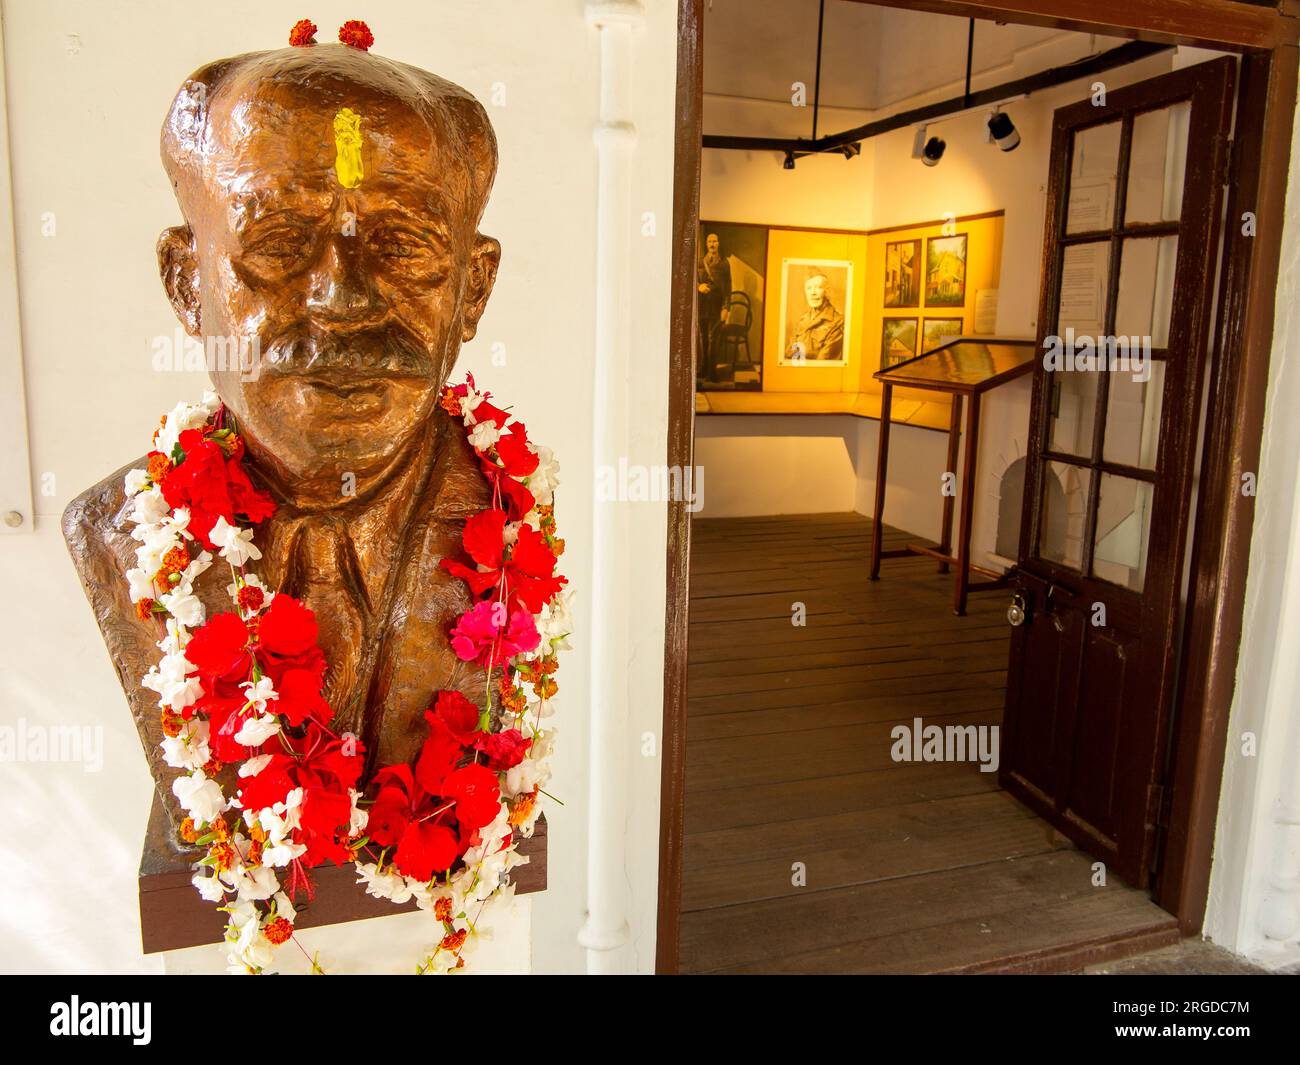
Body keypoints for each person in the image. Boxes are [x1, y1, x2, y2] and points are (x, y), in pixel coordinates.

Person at [63, 39, 510, 835]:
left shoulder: (509, 521)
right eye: (276, 244)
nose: (344, 299)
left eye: (402, 246)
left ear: (472, 288)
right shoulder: (123, 533)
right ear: (185, 283)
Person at [786, 271, 844, 360]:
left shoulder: (837, 321)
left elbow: (823, 362)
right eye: (809, 288)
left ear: (827, 291)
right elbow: (789, 354)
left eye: (818, 287)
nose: (813, 293)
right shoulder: (803, 320)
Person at [696, 232, 731, 379]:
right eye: (709, 241)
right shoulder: (699, 262)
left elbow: (728, 286)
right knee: (703, 337)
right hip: (702, 305)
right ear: (706, 244)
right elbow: (692, 281)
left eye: (714, 241)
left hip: (716, 305)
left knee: (713, 338)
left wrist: (726, 307)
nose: (712, 244)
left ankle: (711, 371)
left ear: (718, 244)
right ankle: (703, 370)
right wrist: (698, 286)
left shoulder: (724, 263)